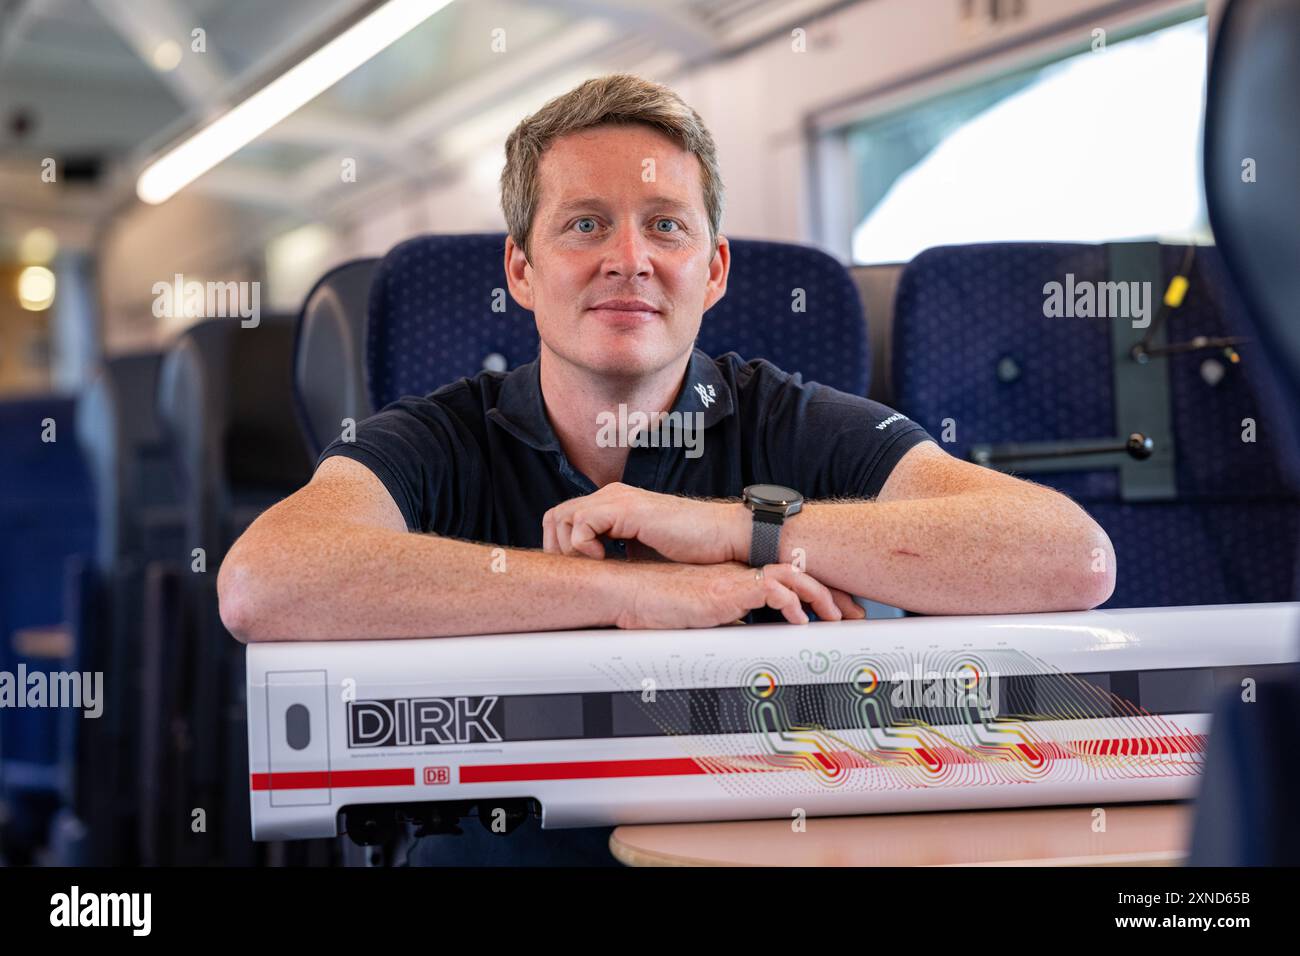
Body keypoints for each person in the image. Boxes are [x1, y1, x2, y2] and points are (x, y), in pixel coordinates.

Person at [217, 73, 1116, 865]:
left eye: (666, 227)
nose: (630, 259)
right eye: (585, 225)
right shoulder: (441, 437)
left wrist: (745, 530)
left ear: (713, 269)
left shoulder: (790, 419)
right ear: (522, 270)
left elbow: (1068, 558)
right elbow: (264, 583)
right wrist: (629, 597)